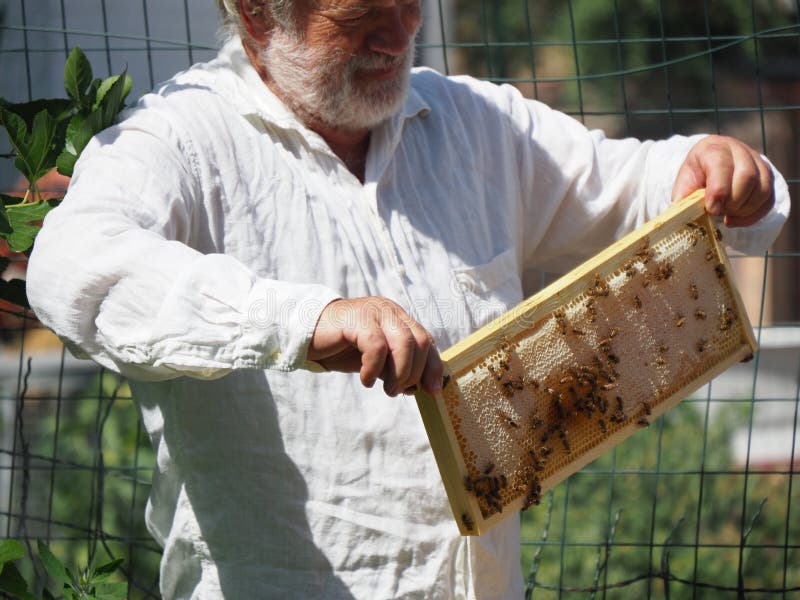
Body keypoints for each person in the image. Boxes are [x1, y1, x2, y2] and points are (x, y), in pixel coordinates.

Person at [27, 0, 789, 598]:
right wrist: (300, 321)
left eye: (409, 1)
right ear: (259, 14)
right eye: (361, 15)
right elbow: (74, 263)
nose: (398, 35)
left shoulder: (475, 125)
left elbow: (629, 187)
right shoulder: (182, 137)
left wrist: (710, 169)